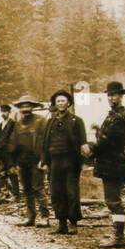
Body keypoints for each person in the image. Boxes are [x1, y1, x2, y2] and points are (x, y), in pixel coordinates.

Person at [88, 81, 125, 248]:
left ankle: (119, 236)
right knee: (111, 200)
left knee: (113, 201)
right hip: (109, 162)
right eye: (109, 95)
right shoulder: (113, 115)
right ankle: (117, 233)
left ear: (121, 96)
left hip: (113, 163)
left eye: (115, 95)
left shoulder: (119, 117)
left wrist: (91, 149)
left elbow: (108, 142)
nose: (112, 98)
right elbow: (106, 137)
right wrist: (99, 130)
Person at [40, 89, 86, 235]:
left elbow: (83, 142)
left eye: (63, 101)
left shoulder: (76, 121)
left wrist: (81, 161)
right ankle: (61, 222)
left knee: (71, 192)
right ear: (55, 104)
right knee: (56, 192)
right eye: (58, 101)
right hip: (55, 162)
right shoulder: (50, 122)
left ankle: (73, 223)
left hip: (71, 162)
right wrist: (45, 161)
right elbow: (45, 143)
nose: (60, 103)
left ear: (68, 103)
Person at [8, 95, 49, 226]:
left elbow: (45, 142)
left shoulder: (41, 121)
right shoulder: (18, 124)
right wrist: (13, 163)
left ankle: (45, 217)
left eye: (28, 106)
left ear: (32, 107)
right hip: (22, 162)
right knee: (26, 189)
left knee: (38, 188)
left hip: (36, 161)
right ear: (19, 108)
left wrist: (43, 159)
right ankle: (30, 216)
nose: (25, 109)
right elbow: (13, 144)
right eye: (23, 106)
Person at [0, 102, 19, 204]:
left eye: (5, 112)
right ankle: (4, 193)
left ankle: (16, 194)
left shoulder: (13, 124)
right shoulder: (1, 124)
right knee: (0, 175)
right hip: (1, 154)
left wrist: (12, 153)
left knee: (12, 174)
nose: (3, 113)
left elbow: (14, 140)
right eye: (2, 111)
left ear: (9, 112)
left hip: (10, 155)